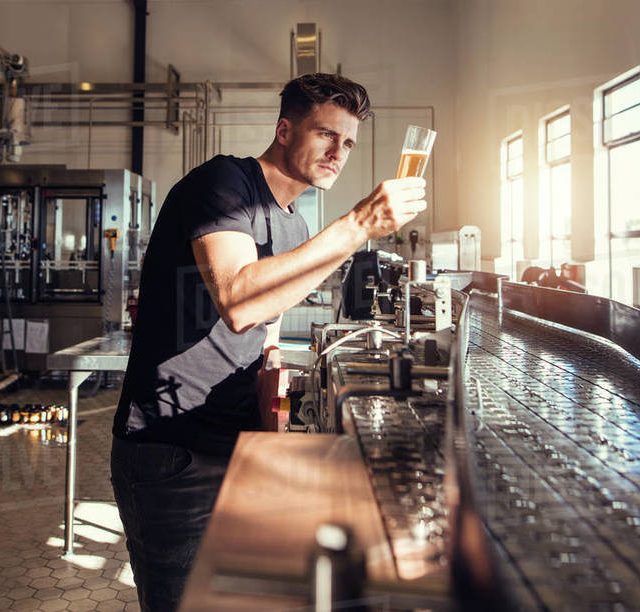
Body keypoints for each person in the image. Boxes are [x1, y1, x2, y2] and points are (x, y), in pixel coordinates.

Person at [110, 73, 427, 611]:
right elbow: (239, 303)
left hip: (236, 443)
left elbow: (269, 322)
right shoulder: (224, 183)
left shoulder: (297, 226)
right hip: (172, 449)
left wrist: (277, 383)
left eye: (347, 142)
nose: (338, 152)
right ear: (284, 129)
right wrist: (358, 224)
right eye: (326, 135)